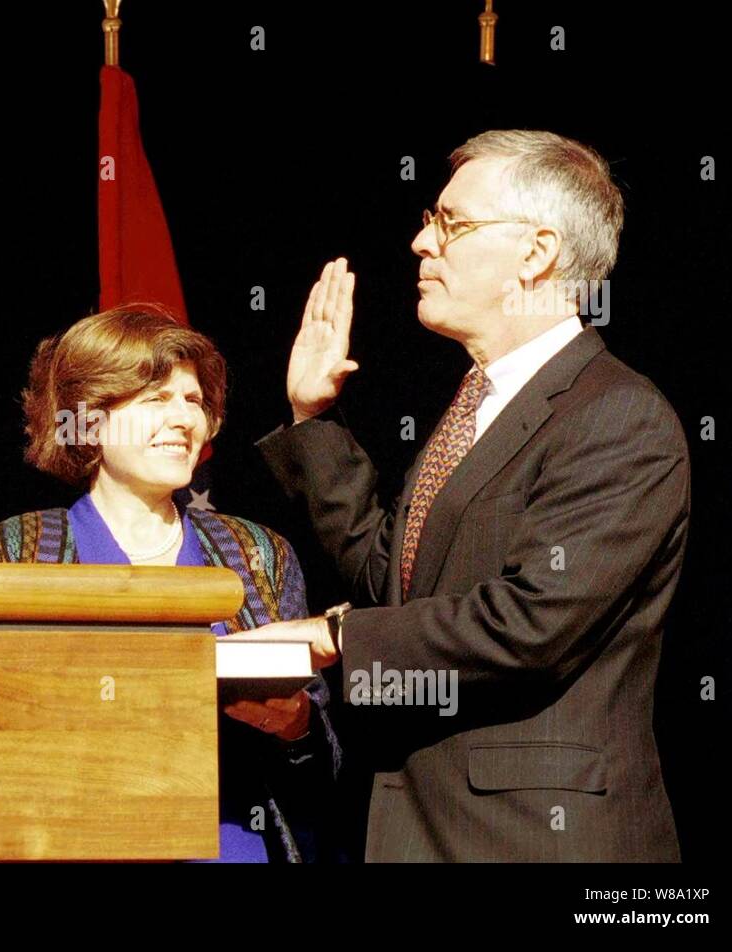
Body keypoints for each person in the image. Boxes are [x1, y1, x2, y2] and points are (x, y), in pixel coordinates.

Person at [239, 130, 689, 861]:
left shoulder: (618, 415)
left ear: (536, 253)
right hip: (426, 829)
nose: (422, 242)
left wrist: (332, 637)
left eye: (453, 223)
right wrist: (314, 421)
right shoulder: (477, 406)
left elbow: (534, 621)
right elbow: (393, 583)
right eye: (431, 219)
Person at [0, 306, 345, 862]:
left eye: (193, 401)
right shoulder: (14, 553)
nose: (184, 419)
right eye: (155, 400)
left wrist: (295, 729)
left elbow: (325, 766)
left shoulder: (258, 553)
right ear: (89, 419)